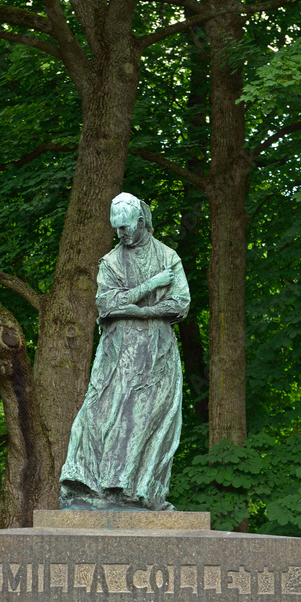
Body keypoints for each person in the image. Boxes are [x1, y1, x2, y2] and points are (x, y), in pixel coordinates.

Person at [60, 192, 190, 510]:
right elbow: (107, 304)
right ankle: (85, 483)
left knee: (148, 417)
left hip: (157, 353)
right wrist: (149, 290)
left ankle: (137, 490)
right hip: (116, 353)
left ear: (141, 222)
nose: (120, 234)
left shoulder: (168, 256)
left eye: (125, 227)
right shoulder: (111, 262)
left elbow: (180, 303)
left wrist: (135, 310)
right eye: (116, 228)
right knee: (98, 412)